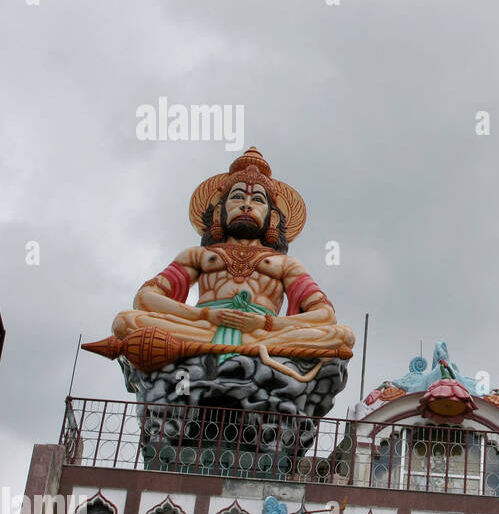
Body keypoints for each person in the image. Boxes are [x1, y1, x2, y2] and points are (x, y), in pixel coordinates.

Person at [91, 148, 353, 379]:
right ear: (219, 210)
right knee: (126, 321)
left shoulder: (286, 264)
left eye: (258, 200)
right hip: (202, 327)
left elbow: (325, 315)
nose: (247, 205)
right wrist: (204, 315)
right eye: (238, 197)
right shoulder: (197, 256)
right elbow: (146, 298)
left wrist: (262, 324)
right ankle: (239, 351)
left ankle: (236, 349)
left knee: (342, 336)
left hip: (262, 333)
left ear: (272, 218)